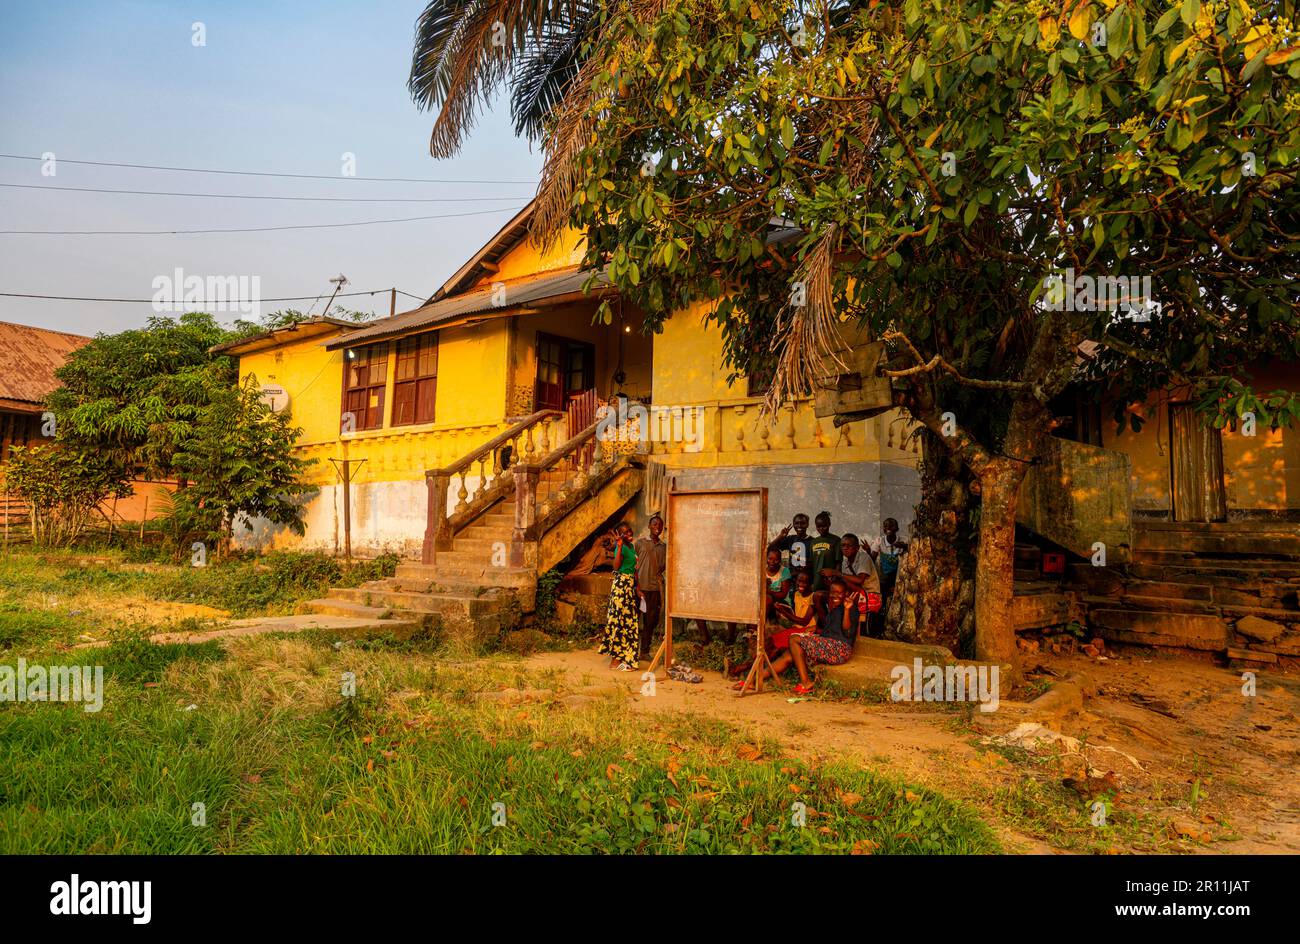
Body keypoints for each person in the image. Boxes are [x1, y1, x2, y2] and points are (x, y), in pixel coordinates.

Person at [754, 578, 855, 694]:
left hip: (839, 649)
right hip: (828, 645)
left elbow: (847, 629)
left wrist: (847, 610)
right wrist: (814, 630)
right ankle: (754, 680)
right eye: (832, 592)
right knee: (789, 655)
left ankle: (806, 683)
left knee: (794, 639)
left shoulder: (850, 608)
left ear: (846, 593)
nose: (834, 595)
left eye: (839, 593)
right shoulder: (834, 610)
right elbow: (830, 631)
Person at [598, 522, 639, 670]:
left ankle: (624, 658)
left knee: (628, 623)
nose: (629, 533)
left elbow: (633, 568)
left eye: (629, 530)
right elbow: (616, 567)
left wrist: (637, 588)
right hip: (621, 586)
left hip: (628, 587)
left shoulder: (631, 547)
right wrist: (619, 546)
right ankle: (615, 661)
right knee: (619, 622)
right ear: (619, 535)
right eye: (625, 532)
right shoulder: (621, 547)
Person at [826, 533, 881, 640]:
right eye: (843, 545)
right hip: (855, 592)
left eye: (849, 545)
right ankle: (831, 628)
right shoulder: (845, 562)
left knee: (839, 600)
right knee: (829, 595)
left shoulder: (864, 557)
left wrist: (837, 574)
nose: (845, 548)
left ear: (857, 547)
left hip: (869, 595)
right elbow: (846, 582)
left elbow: (859, 580)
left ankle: (843, 633)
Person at [634, 514, 667, 661]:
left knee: (650, 622)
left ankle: (644, 651)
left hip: (654, 589)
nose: (657, 527)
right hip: (639, 588)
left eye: (660, 525)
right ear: (649, 526)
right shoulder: (640, 543)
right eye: (654, 524)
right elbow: (632, 566)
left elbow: (664, 566)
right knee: (634, 620)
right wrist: (635, 586)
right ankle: (631, 651)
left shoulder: (664, 547)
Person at [869, 518, 909, 635]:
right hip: (884, 578)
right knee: (882, 603)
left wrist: (905, 547)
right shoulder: (879, 541)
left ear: (897, 529)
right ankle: (879, 629)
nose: (889, 529)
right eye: (886, 527)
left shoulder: (903, 541)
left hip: (899, 579)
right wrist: (868, 551)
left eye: (892, 527)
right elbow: (872, 558)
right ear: (883, 529)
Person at [806, 511, 841, 592]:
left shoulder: (836, 540)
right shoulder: (813, 542)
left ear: (829, 524)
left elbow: (838, 562)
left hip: (830, 580)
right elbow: (811, 563)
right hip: (817, 580)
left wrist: (834, 578)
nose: (821, 528)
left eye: (824, 526)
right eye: (818, 526)